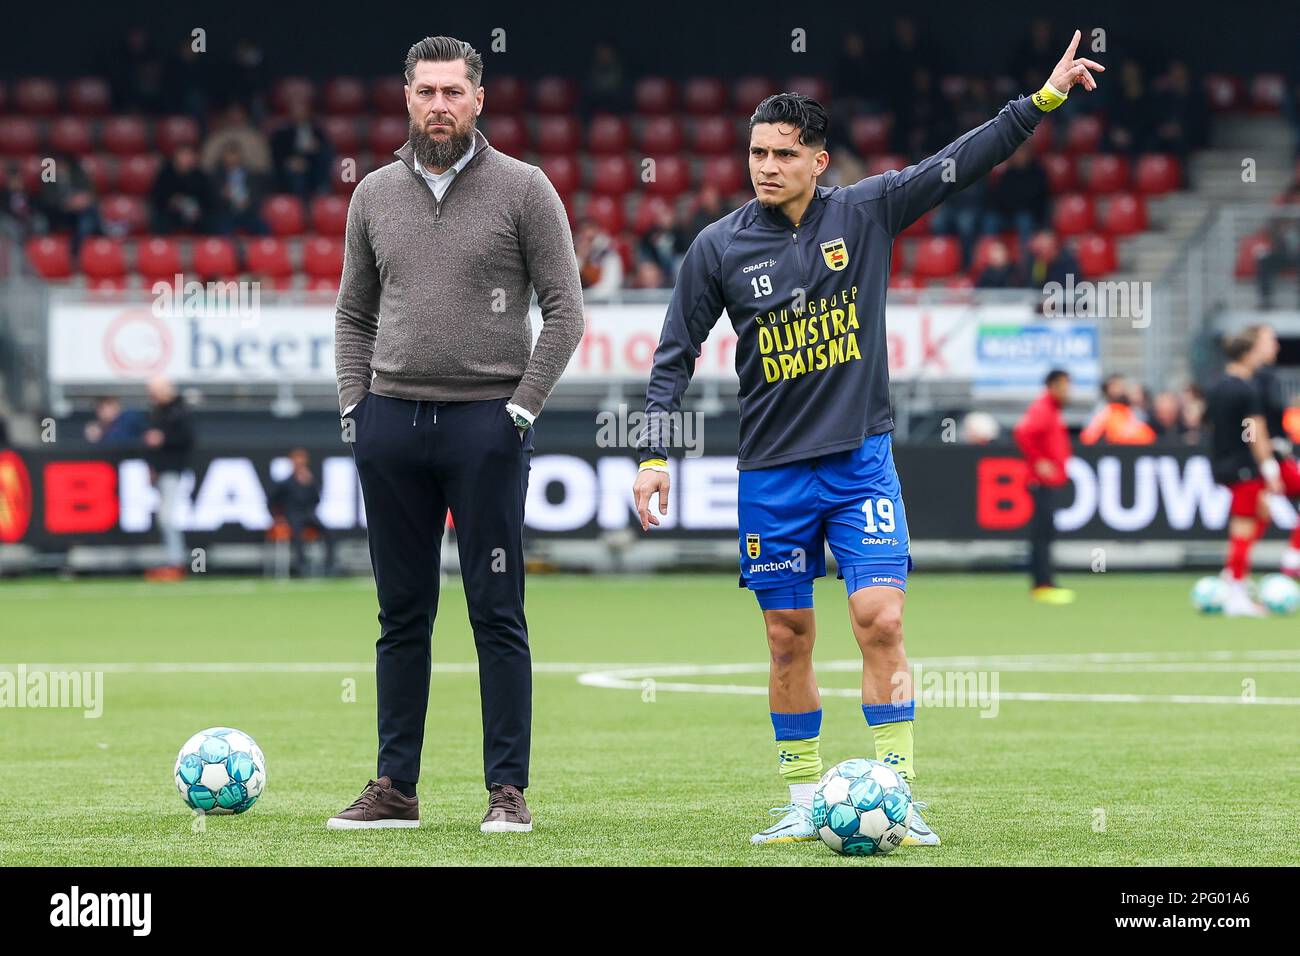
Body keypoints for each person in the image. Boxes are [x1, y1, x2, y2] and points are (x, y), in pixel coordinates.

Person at [633, 31, 1103, 847]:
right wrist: (651, 455)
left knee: (879, 619)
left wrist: (1044, 99)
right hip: (772, 476)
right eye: (756, 152)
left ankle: (898, 788)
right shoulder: (718, 248)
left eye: (784, 153)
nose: (766, 166)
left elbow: (963, 160)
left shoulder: (869, 209)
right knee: (788, 638)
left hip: (860, 465)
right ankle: (801, 795)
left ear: (820, 160)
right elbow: (673, 355)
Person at [330, 36, 583, 833]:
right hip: (392, 425)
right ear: (406, 97)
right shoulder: (372, 193)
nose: (439, 104)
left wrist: (521, 408)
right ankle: (394, 788)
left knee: (496, 611)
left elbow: (566, 312)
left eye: (454, 91)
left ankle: (507, 791)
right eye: (426, 91)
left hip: (487, 425)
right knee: (401, 615)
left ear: (480, 99)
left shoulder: (525, 188)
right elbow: (352, 314)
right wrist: (355, 407)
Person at [1206, 327, 1284, 616]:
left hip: (1223, 462)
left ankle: (1234, 576)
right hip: (1244, 467)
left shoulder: (1216, 385)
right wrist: (1268, 466)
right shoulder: (1246, 388)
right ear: (1249, 353)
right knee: (1242, 528)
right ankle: (1235, 590)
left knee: (1260, 516)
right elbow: (1255, 431)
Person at [1013, 369, 1075, 603]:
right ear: (1052, 386)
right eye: (1064, 386)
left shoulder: (1051, 410)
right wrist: (1038, 461)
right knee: (1042, 533)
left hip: (1048, 482)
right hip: (1041, 482)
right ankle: (1042, 584)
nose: (1068, 392)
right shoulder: (1043, 409)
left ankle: (1046, 581)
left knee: (1046, 532)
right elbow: (1023, 432)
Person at [1249, 324, 1300, 577]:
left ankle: (1293, 558)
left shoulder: (1266, 376)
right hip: (1259, 459)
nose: (1276, 346)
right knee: (1250, 517)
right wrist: (1263, 451)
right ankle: (1236, 575)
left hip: (1271, 456)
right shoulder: (1253, 379)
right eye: (1270, 340)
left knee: (1254, 517)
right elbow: (1249, 423)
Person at [142, 378, 194, 582]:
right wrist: (152, 466)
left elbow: (187, 438)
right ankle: (172, 560)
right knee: (164, 517)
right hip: (163, 471)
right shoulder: (158, 412)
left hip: (174, 471)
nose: (152, 397)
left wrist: (163, 438)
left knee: (167, 517)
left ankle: (176, 562)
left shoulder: (178, 411)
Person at [268, 447, 335, 576]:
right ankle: (301, 565)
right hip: (292, 515)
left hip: (309, 514)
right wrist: (277, 517)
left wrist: (309, 483)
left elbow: (316, 499)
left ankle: (329, 565)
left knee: (328, 533)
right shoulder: (285, 482)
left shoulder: (309, 480)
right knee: (297, 534)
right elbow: (272, 501)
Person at [150, 143, 213, 234]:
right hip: (171, 213)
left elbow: (209, 199)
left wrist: (200, 210)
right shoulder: (165, 174)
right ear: (176, 157)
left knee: (210, 222)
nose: (187, 158)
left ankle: (210, 247)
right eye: (184, 155)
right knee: (161, 222)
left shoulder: (200, 175)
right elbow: (157, 198)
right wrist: (171, 202)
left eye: (190, 155)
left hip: (195, 213)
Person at [1080, 374, 1155, 444]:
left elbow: (1147, 436)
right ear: (1107, 389)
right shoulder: (1101, 412)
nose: (1119, 390)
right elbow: (1088, 437)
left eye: (1121, 386)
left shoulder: (1134, 412)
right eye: (1115, 386)